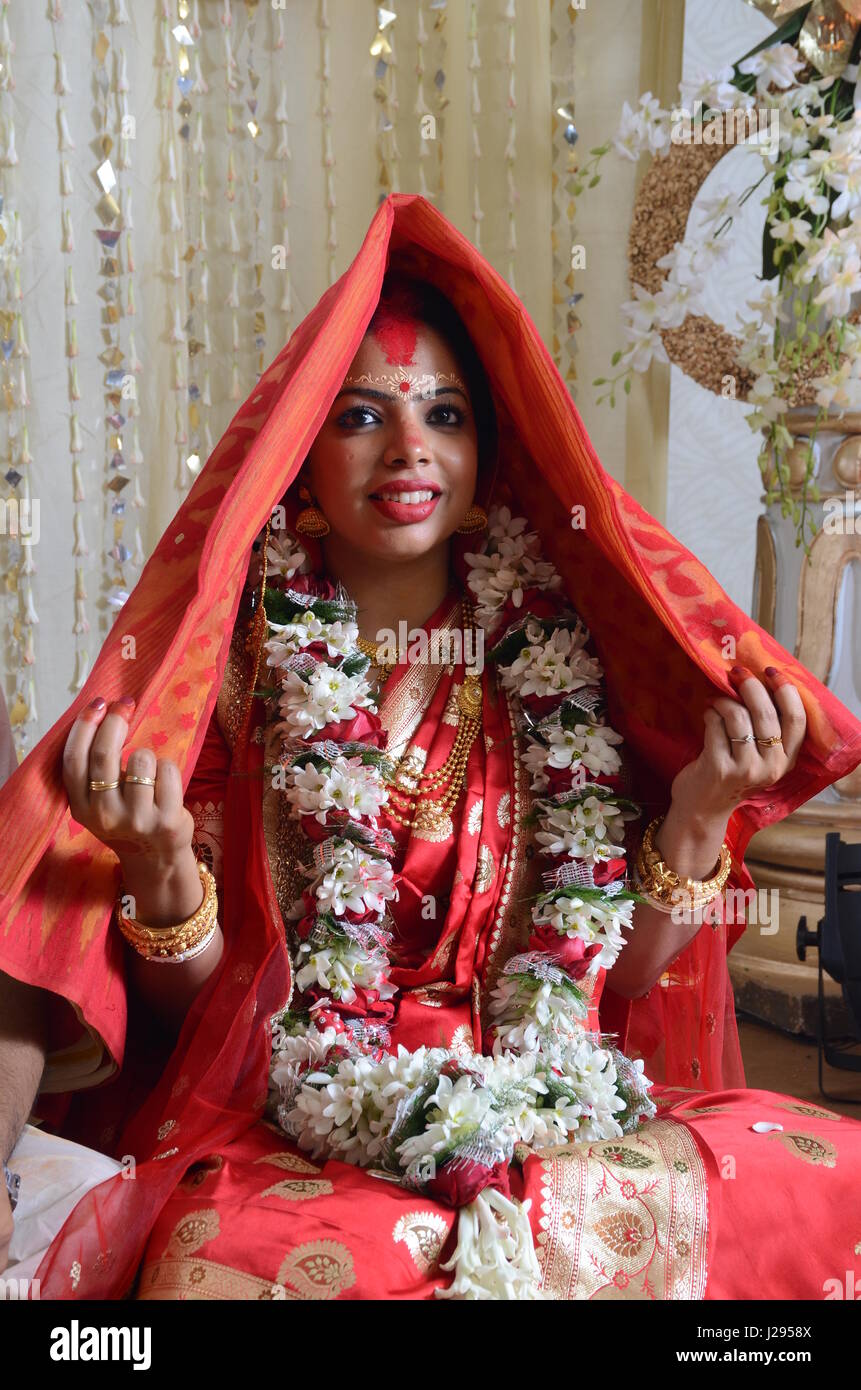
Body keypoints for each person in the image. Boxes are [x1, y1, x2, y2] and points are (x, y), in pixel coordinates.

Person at [1, 193, 860, 1300]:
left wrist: (697, 815)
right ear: (300, 459)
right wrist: (165, 872)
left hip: (548, 1101)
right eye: (361, 416)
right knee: (244, 1273)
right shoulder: (231, 676)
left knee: (824, 1173)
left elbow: (623, 979)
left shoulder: (557, 656)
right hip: (302, 1121)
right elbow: (203, 1023)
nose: (409, 447)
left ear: (487, 457)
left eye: (444, 414)